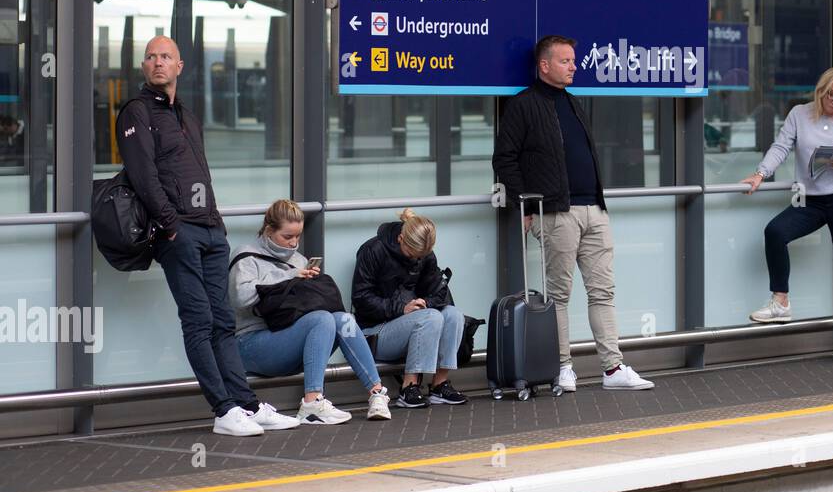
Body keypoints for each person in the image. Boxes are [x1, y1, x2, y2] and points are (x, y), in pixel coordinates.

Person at [116, 35, 297, 436]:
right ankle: (224, 410)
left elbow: (199, 173)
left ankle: (247, 406)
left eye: (166, 57)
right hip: (177, 233)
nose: (157, 62)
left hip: (212, 230)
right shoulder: (136, 112)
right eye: (150, 57)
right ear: (144, 67)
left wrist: (216, 223)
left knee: (222, 321)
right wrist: (172, 226)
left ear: (180, 66)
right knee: (198, 321)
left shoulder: (187, 115)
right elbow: (144, 177)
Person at [491, 34, 655, 393]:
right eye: (565, 61)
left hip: (593, 208)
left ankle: (613, 368)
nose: (574, 66)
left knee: (603, 292)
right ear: (544, 65)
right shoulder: (523, 105)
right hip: (555, 212)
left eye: (573, 60)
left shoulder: (574, 103)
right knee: (559, 297)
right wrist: (527, 205)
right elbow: (504, 159)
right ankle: (563, 367)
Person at [229, 199, 391, 423]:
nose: (293, 243)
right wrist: (288, 277)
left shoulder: (298, 260)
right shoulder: (246, 256)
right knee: (321, 319)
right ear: (268, 230)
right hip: (251, 343)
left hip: (290, 340)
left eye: (298, 236)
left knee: (342, 318)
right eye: (287, 236)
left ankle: (377, 393)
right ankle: (312, 403)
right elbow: (241, 298)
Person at [739, 67, 833, 323]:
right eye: (832, 95)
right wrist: (760, 173)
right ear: (820, 91)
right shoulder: (799, 114)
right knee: (776, 231)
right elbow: (781, 147)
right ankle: (780, 302)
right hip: (809, 199)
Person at [351, 208, 468, 408]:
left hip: (414, 325)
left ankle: (439, 385)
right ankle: (409, 388)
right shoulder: (373, 250)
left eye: (420, 256)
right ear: (400, 238)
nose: (415, 259)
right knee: (430, 317)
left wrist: (424, 304)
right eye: (411, 254)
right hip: (375, 332)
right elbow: (361, 298)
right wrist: (401, 308)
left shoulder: (424, 254)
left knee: (453, 315)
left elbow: (439, 293)